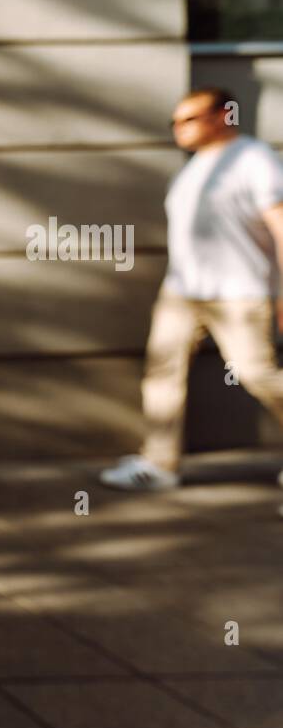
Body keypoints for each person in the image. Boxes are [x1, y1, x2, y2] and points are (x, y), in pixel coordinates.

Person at [103, 87, 283, 491]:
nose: (178, 129)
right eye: (175, 121)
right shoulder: (195, 167)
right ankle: (160, 464)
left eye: (189, 119)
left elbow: (280, 223)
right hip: (182, 293)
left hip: (238, 292)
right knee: (163, 373)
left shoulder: (253, 159)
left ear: (224, 115)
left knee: (257, 374)